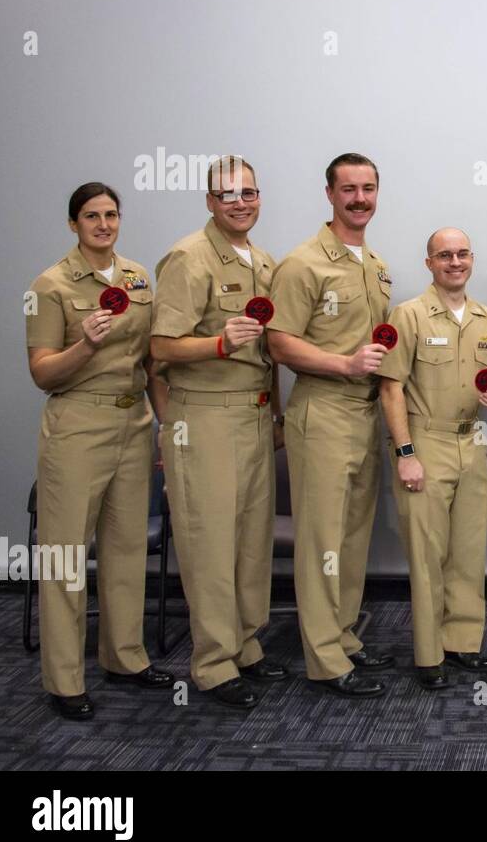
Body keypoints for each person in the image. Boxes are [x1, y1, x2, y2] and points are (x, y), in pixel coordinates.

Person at [26, 182, 175, 720]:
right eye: (92, 216)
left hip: (133, 421)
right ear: (73, 224)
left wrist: (164, 424)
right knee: (66, 555)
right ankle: (65, 679)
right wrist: (84, 342)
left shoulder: (137, 278)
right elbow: (42, 373)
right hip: (77, 424)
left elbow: (150, 362)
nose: (104, 224)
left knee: (126, 548)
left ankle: (124, 657)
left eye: (112, 214)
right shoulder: (50, 285)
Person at [151, 156, 286, 709]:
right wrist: (217, 344)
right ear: (209, 201)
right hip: (203, 415)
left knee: (251, 539)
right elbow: (159, 349)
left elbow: (269, 351)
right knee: (209, 541)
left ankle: (246, 643)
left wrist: (275, 413)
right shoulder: (188, 258)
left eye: (249, 192)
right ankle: (211, 663)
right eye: (227, 194)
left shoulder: (263, 261)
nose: (240, 202)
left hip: (253, 414)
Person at [267, 153, 395, 698]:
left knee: (351, 537)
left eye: (368, 188)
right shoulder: (302, 264)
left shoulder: (374, 265)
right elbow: (278, 341)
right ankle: (323, 658)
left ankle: (343, 636)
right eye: (349, 189)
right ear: (329, 194)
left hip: (365, 413)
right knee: (321, 537)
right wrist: (342, 364)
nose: (359, 198)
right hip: (322, 409)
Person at [378, 228, 487, 689]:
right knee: (427, 554)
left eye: (461, 254)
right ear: (429, 263)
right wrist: (406, 454)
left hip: (473, 442)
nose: (454, 262)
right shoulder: (409, 315)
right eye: (444, 255)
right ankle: (428, 654)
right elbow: (390, 387)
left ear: (471, 259)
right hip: (426, 441)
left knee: (468, 552)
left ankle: (462, 643)